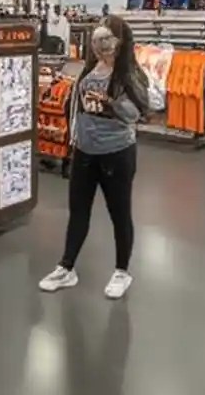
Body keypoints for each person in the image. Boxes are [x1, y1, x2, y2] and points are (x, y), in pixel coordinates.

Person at [40, 15, 149, 300]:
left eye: (106, 42)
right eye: (97, 43)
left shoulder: (130, 74)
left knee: (119, 213)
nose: (100, 49)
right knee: (78, 211)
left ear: (119, 42)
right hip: (85, 152)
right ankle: (67, 267)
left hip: (117, 153)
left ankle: (122, 271)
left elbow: (137, 113)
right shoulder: (89, 69)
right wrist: (73, 139)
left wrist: (111, 104)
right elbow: (76, 105)